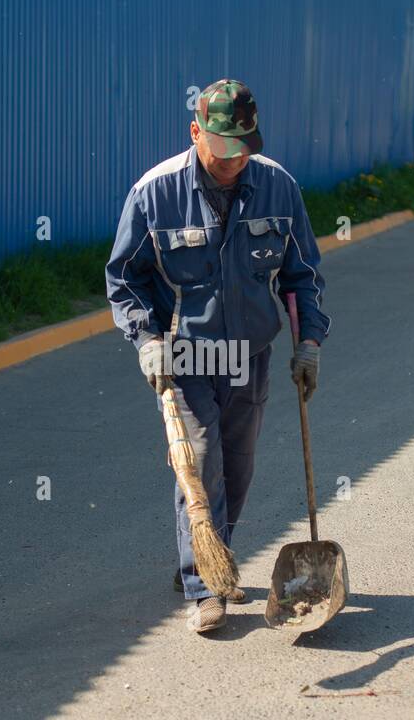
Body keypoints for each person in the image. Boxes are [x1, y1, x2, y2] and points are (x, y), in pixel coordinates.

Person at [105, 79, 330, 633]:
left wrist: (309, 343)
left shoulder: (278, 187)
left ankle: (208, 553)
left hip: (247, 352)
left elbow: (302, 277)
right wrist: (147, 342)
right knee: (201, 463)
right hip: (186, 354)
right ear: (195, 132)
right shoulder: (154, 194)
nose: (234, 160)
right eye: (222, 146)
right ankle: (206, 587)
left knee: (237, 464)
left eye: (244, 146)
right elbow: (125, 280)